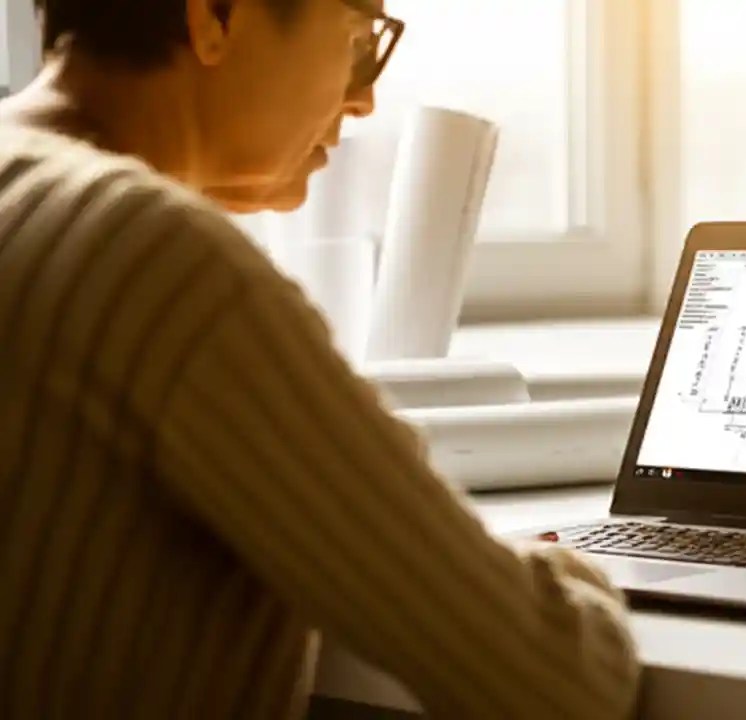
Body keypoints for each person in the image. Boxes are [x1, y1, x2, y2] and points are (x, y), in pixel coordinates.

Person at [0, 0, 641, 718]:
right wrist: (588, 564)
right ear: (214, 18)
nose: (364, 100)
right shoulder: (159, 264)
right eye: (359, 37)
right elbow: (558, 680)